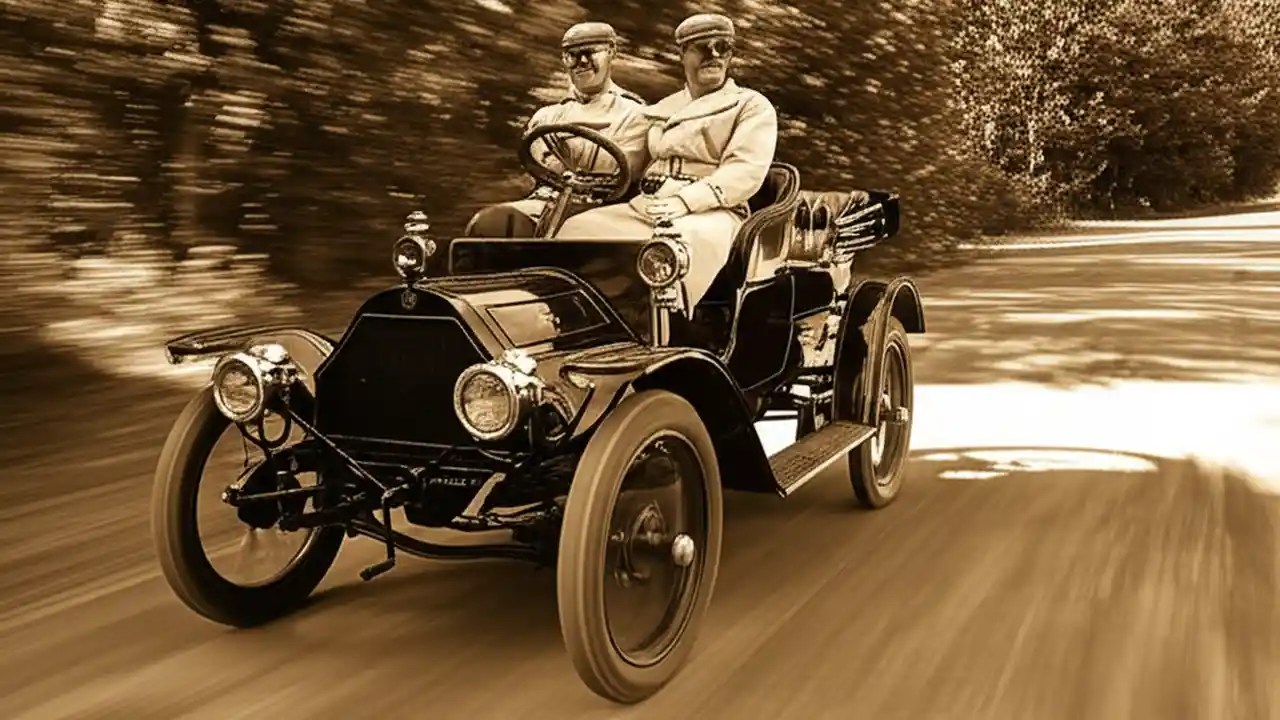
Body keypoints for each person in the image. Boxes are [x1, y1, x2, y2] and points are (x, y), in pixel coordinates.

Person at [555, 12, 779, 314]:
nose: (713, 55)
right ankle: (577, 319)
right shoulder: (661, 109)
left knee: (669, 253)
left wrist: (685, 201)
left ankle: (667, 334)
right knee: (576, 230)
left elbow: (744, 171)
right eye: (702, 47)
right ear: (682, 54)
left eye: (722, 47)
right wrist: (580, 172)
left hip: (713, 212)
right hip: (648, 204)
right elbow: (625, 162)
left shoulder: (750, 104)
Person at [464, 21, 646, 237]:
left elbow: (621, 176)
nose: (582, 61)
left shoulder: (636, 113)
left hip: (603, 211)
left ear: (611, 52)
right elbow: (535, 172)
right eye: (572, 55)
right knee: (491, 224)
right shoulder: (545, 116)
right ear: (563, 59)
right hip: (543, 203)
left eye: (591, 52)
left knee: (576, 231)